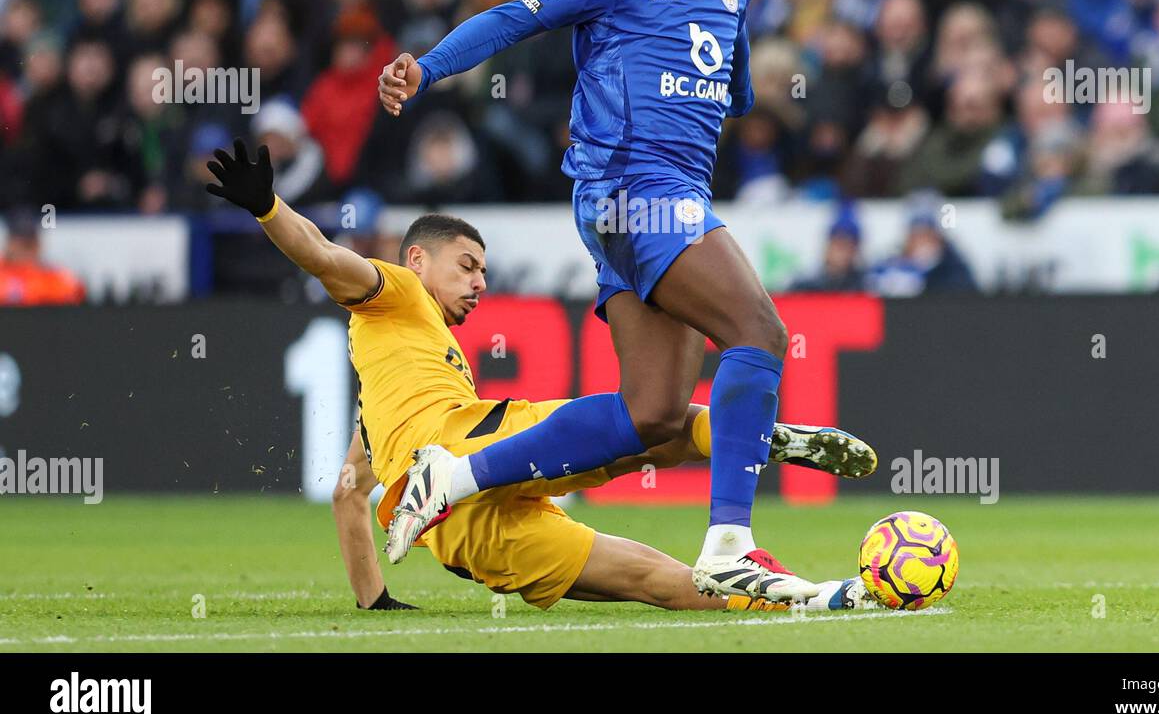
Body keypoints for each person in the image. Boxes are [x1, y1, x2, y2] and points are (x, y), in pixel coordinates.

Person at [375, 0, 821, 601]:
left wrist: (734, 93)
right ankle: (728, 545)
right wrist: (428, 66)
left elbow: (733, 73)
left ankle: (455, 475)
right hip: (632, 191)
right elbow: (518, 15)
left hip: (672, 194)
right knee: (761, 333)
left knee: (651, 415)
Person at [203, 139, 875, 613]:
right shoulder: (398, 290)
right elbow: (323, 256)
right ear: (417, 258)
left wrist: (376, 603)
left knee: (655, 570)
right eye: (466, 265)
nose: (479, 283)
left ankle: (816, 595)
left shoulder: (394, 382)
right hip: (469, 445)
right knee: (641, 438)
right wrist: (268, 207)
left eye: (485, 272)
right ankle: (749, 436)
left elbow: (350, 494)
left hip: (456, 530)